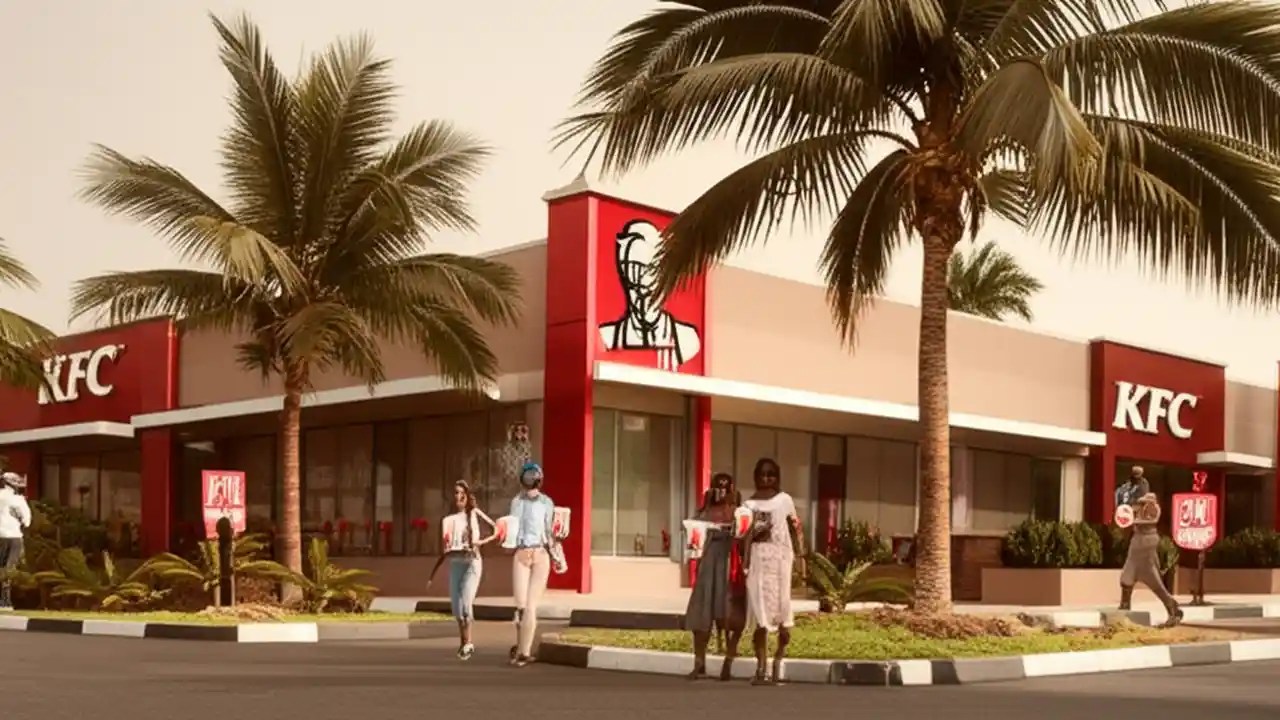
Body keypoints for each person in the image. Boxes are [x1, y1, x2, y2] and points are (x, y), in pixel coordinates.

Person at [742, 458, 806, 685]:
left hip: (781, 561)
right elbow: (745, 537)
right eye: (762, 474)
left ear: (777, 477)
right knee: (760, 615)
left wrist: (801, 560)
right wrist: (745, 563)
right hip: (759, 563)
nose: (766, 478)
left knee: (782, 614)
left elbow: (796, 529)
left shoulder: (784, 500)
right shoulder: (748, 505)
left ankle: (778, 660)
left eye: (771, 474)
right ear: (755, 477)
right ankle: (761, 667)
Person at [683, 472, 747, 681]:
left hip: (729, 563)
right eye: (717, 488)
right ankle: (699, 662)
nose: (721, 492)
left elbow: (744, 536)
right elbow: (692, 533)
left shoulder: (738, 512)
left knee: (730, 613)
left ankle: (728, 660)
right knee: (701, 611)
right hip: (708, 565)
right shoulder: (704, 511)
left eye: (725, 488)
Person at [427, 480, 496, 660]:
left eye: (461, 493)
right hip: (456, 562)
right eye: (455, 493)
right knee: (456, 607)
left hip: (472, 563)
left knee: (466, 603)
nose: (458, 497)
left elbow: (495, 529)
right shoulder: (449, 520)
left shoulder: (474, 513)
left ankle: (469, 642)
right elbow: (446, 545)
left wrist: (479, 543)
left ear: (467, 495)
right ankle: (463, 642)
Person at [509, 461, 555, 667]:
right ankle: (521, 646)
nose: (531, 480)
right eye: (528, 476)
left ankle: (524, 652)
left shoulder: (546, 503)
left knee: (530, 606)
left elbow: (550, 532)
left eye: (533, 476)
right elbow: (512, 528)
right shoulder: (517, 502)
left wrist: (557, 556)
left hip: (540, 554)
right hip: (522, 553)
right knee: (521, 606)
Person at [1121, 489, 1183, 626]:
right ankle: (1124, 607)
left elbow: (1146, 520)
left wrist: (1131, 517)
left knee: (1152, 578)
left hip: (1147, 542)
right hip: (1137, 542)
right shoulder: (1139, 509)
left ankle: (1172, 606)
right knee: (1126, 578)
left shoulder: (1153, 509)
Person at [0, 472, 31, 612]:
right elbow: (27, 521)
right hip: (13, 537)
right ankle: (5, 602)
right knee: (9, 570)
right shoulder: (18, 500)